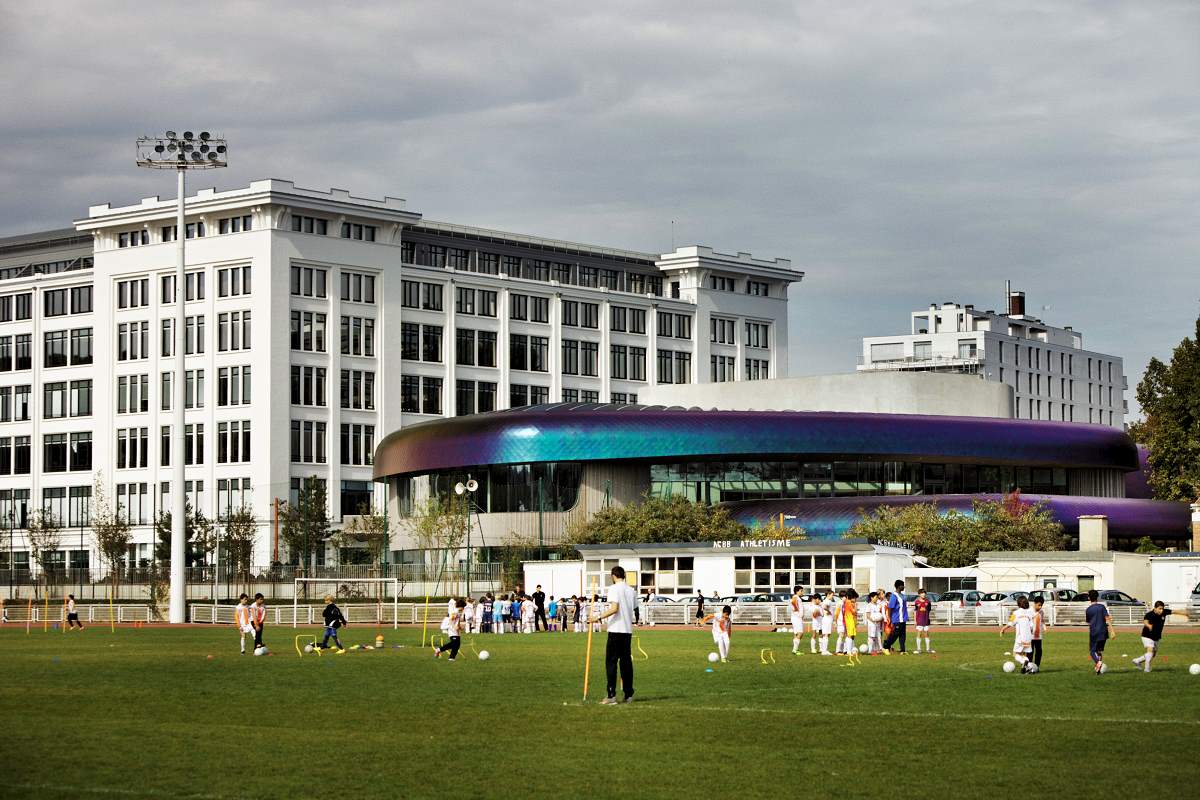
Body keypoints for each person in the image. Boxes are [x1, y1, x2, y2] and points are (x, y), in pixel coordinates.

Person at [588, 565, 637, 705]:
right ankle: (628, 694)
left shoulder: (614, 588)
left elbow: (615, 608)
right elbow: (632, 607)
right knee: (626, 663)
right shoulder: (631, 590)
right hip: (627, 630)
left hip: (616, 630)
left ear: (613, 576)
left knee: (611, 663)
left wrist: (597, 617)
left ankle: (611, 695)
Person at [1133, 601, 1178, 673]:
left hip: (1156, 637)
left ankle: (1137, 660)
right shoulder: (1149, 614)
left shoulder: (1164, 612)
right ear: (1155, 608)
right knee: (1150, 651)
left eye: (1162, 609)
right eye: (1160, 609)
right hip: (1147, 636)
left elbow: (1174, 611)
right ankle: (1147, 669)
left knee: (1153, 654)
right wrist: (1148, 625)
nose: (1161, 610)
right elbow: (1145, 621)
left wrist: (1185, 613)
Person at [1000, 596, 1037, 674]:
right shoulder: (1030, 612)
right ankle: (1028, 668)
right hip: (1028, 638)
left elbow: (1011, 623)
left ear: (1018, 604)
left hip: (1020, 638)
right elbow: (1032, 626)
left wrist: (1003, 629)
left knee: (1015, 654)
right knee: (1023, 654)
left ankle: (1026, 662)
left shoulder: (1016, 613)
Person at [1085, 589, 1115, 675]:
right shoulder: (1102, 607)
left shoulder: (1088, 610)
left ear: (1089, 598)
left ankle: (1099, 663)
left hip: (1094, 632)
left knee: (1092, 651)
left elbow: (1088, 622)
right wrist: (1112, 631)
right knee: (1099, 651)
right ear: (1097, 597)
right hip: (1104, 632)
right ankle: (1099, 670)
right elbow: (1107, 618)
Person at [882, 580, 909, 654]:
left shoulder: (903, 595)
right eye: (903, 585)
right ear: (899, 586)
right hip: (897, 618)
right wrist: (890, 619)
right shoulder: (894, 596)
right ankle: (885, 647)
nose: (904, 587)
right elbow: (890, 608)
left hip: (903, 619)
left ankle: (902, 650)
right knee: (894, 635)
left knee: (903, 635)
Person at [841, 589, 861, 665]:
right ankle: (848, 651)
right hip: (849, 621)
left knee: (851, 636)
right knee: (849, 636)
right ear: (851, 597)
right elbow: (854, 612)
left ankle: (850, 650)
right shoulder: (848, 603)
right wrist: (856, 606)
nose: (855, 600)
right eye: (855, 598)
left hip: (851, 621)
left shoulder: (847, 602)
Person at [913, 588, 933, 654]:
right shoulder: (916, 602)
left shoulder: (928, 602)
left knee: (926, 634)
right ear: (919, 594)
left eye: (924, 593)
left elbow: (929, 611)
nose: (923, 594)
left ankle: (928, 649)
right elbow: (915, 612)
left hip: (926, 620)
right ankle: (919, 649)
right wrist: (915, 621)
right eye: (922, 593)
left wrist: (928, 619)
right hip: (919, 620)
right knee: (919, 634)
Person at [789, 586, 806, 655]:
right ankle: (795, 650)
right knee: (800, 633)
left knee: (797, 633)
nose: (802, 592)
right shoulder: (795, 597)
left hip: (796, 617)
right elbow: (793, 602)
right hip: (796, 617)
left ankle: (795, 649)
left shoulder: (797, 598)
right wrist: (797, 611)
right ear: (797, 591)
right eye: (801, 591)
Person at [1031, 597, 1046, 668]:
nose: (1040, 607)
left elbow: (1042, 621)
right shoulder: (1029, 611)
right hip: (1030, 635)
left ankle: (1037, 666)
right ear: (1035, 603)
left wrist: (1044, 627)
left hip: (1038, 635)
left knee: (1039, 651)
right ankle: (1029, 666)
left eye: (1041, 605)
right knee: (1030, 651)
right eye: (1039, 605)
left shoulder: (1041, 612)